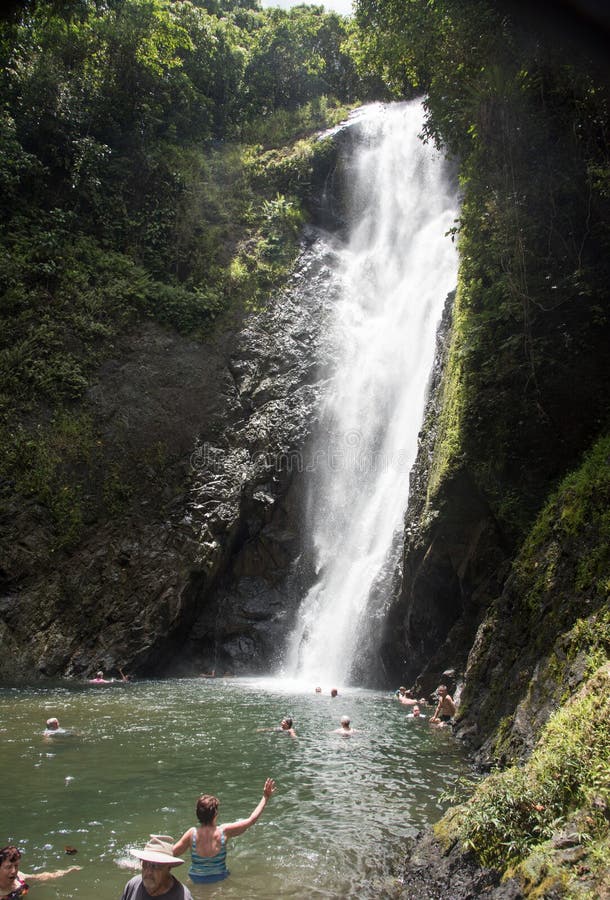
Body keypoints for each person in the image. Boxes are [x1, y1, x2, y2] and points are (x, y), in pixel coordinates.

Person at [172, 778, 276, 885]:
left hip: (196, 879)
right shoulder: (224, 832)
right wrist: (265, 797)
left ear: (197, 813)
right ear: (215, 814)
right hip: (219, 879)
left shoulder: (191, 834)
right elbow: (251, 820)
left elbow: (172, 853)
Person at [121, 835, 193, 899]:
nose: (149, 872)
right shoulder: (133, 885)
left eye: (155, 866)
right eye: (145, 864)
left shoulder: (182, 896)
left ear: (169, 867)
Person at [0, 845, 81, 898]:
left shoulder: (19, 877)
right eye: (8, 867)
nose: (14, 871)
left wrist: (67, 871)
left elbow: (40, 877)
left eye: (16, 866)